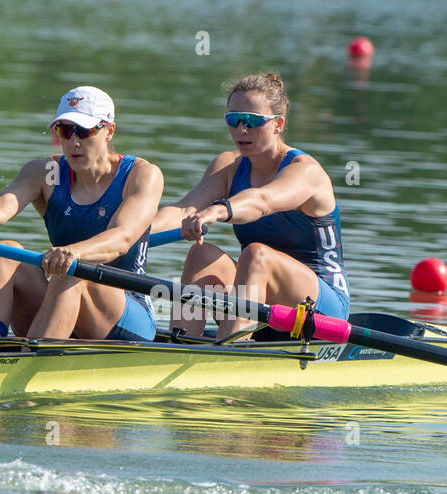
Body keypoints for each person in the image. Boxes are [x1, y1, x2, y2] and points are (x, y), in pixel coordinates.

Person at [0, 86, 163, 349]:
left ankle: (28, 364)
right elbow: (2, 204)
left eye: (85, 131)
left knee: (75, 270)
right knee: (2, 254)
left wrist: (74, 252)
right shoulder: (46, 172)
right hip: (62, 301)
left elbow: (122, 238)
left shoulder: (142, 175)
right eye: (65, 130)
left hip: (126, 317)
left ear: (109, 131)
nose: (74, 142)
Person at [149, 72, 349, 340]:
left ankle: (232, 353)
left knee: (257, 255)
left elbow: (263, 202)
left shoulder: (306, 172)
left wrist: (217, 210)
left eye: (253, 122)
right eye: (234, 120)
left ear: (278, 124)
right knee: (201, 255)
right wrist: (117, 237)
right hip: (259, 303)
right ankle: (181, 343)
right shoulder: (228, 166)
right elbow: (183, 211)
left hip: (321, 310)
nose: (241, 130)